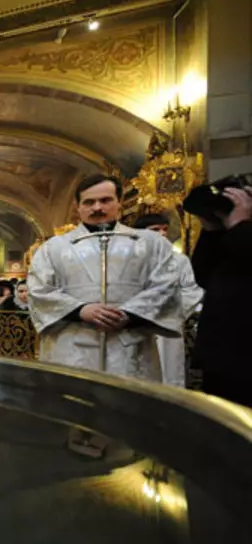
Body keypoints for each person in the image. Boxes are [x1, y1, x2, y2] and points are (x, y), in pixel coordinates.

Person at [28, 174, 181, 379]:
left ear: (119, 203)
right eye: (89, 202)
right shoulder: (54, 248)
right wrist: (81, 310)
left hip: (130, 346)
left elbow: (168, 285)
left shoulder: (150, 243)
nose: (97, 208)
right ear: (78, 206)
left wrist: (129, 314)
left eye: (105, 200)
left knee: (126, 405)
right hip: (72, 347)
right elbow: (38, 291)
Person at [188, 180, 252, 405]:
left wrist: (241, 224)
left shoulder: (242, 234)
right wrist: (211, 229)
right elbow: (204, 276)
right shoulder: (232, 237)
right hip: (222, 354)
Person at [133, 213, 204, 388]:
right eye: (155, 230)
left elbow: (192, 291)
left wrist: (172, 313)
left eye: (165, 229)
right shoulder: (130, 261)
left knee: (170, 374)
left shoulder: (179, 261)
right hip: (138, 325)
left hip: (169, 326)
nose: (163, 233)